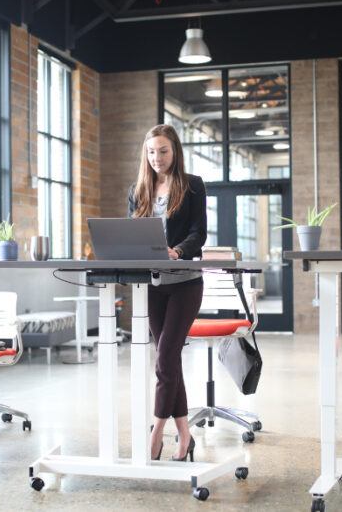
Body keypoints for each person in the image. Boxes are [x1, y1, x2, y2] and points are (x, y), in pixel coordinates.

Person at [127, 124, 207, 462]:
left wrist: (177, 250)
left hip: (185, 282)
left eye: (163, 150)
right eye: (151, 151)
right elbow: (130, 232)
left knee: (164, 357)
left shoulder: (192, 186)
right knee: (168, 359)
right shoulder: (138, 190)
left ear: (175, 151)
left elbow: (198, 233)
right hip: (153, 285)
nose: (157, 157)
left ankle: (157, 430)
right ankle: (186, 434)